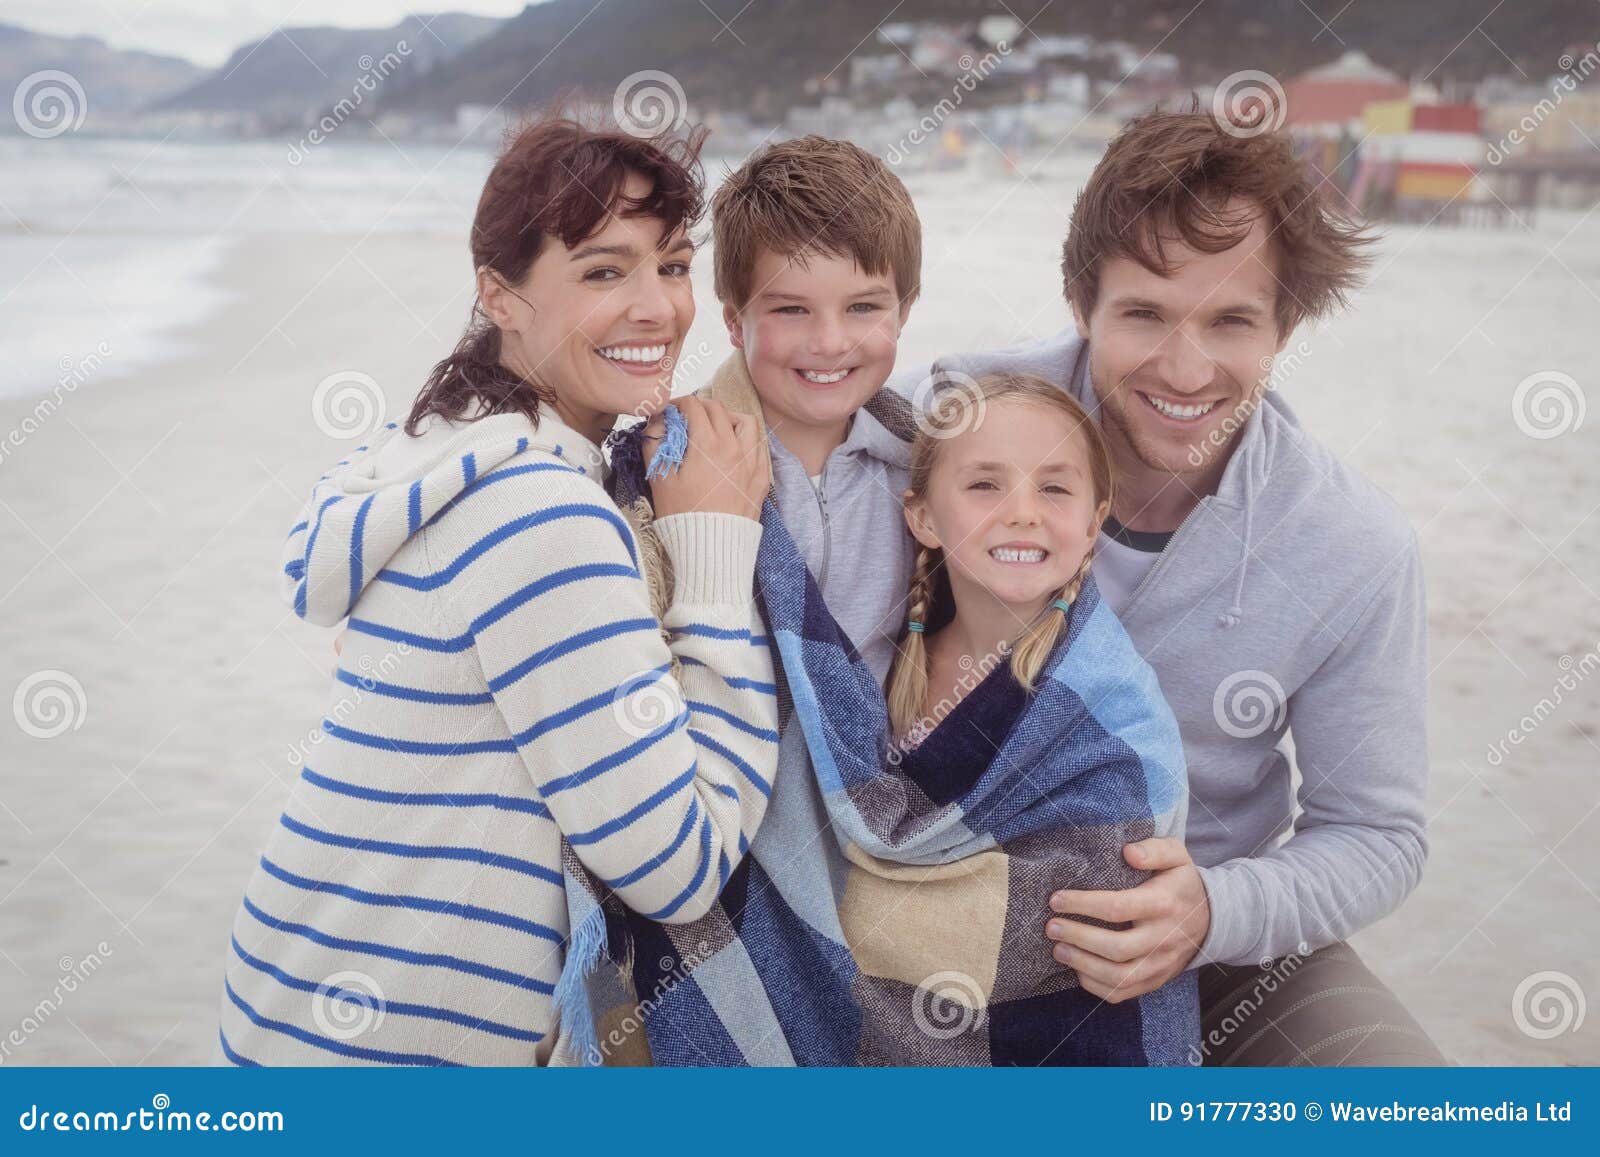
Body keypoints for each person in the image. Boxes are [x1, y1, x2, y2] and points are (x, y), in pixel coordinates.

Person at [216, 116, 778, 1066]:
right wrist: (716, 552)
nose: (658, 307)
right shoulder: (544, 516)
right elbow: (677, 868)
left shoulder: (442, 446)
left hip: (286, 1011)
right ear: (500, 295)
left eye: (674, 266)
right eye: (604, 271)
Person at [904, 104, 1445, 1065]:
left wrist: (1211, 912)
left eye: (1231, 321)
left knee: (1412, 1101)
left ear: (1284, 326)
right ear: (1083, 305)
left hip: (1212, 938)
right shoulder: (949, 421)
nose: (1185, 370)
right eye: (1145, 314)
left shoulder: (1354, 544)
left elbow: (1376, 832)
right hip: (936, 903)